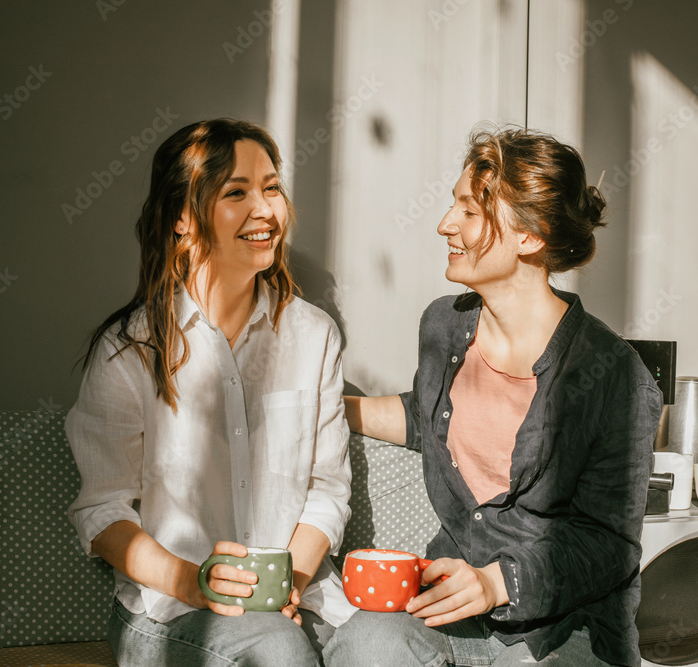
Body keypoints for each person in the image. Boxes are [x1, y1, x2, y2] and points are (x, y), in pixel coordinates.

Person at [326, 127, 662, 667]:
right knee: (367, 645)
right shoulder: (444, 323)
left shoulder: (613, 375)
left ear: (530, 235)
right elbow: (428, 415)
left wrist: (497, 583)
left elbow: (611, 545)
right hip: (449, 598)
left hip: (562, 627)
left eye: (470, 212)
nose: (444, 225)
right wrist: (321, 408)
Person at [66, 118, 355, 666]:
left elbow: (326, 490)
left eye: (272, 188)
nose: (266, 210)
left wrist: (285, 587)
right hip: (171, 608)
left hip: (303, 594)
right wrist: (194, 583)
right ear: (181, 216)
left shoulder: (313, 334)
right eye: (236, 192)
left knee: (389, 646)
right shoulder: (128, 350)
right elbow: (103, 510)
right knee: (275, 652)